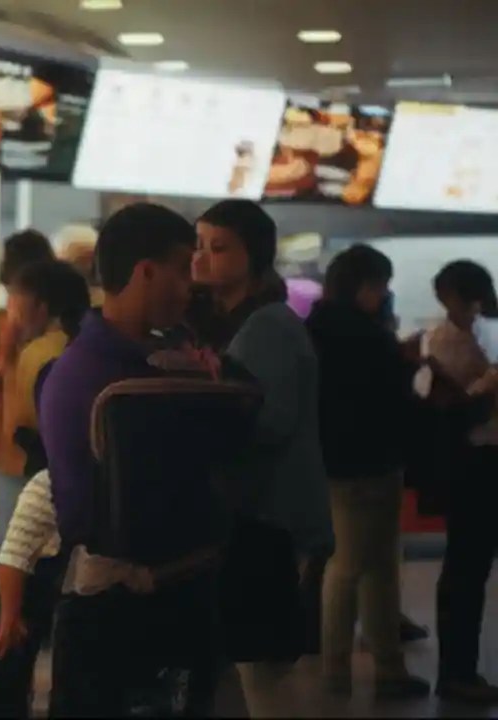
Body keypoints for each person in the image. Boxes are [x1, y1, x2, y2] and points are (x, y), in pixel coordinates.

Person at [39, 203, 243, 716]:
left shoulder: (171, 357)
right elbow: (85, 516)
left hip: (182, 593)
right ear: (146, 271)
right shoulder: (88, 374)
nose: (190, 285)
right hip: (119, 610)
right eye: (182, 269)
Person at [189, 201, 334, 713]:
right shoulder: (238, 323)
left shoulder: (268, 325)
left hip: (270, 517)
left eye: (218, 246)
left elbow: (268, 422)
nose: (201, 258)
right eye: (198, 245)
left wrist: (208, 395)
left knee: (265, 674)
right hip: (257, 515)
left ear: (254, 256)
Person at [305, 243, 431, 699]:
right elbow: (384, 398)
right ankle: (346, 670)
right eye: (380, 286)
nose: (383, 294)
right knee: (356, 565)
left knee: (370, 565)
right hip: (368, 462)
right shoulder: (363, 334)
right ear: (364, 285)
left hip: (339, 460)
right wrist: (406, 364)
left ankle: (381, 667)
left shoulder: (317, 328)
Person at [0, 260, 91, 718]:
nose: (10, 309)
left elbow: (23, 424)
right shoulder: (67, 348)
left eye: (14, 299)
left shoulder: (41, 354)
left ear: (39, 303)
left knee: (20, 604)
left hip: (37, 483)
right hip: (51, 488)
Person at [422, 260, 498, 704]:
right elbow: (455, 411)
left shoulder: (469, 335)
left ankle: (459, 670)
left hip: (478, 461)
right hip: (474, 464)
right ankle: (456, 672)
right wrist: (486, 387)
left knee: (468, 568)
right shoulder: (448, 341)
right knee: (466, 570)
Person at [0, 229, 56, 559]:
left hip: (18, 445)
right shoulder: (64, 329)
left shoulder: (13, 324)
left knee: (12, 547)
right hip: (44, 445)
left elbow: (0, 372)